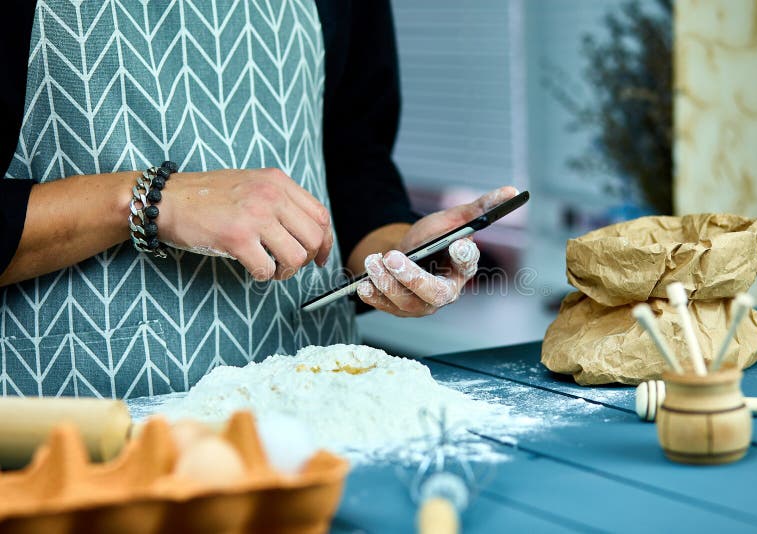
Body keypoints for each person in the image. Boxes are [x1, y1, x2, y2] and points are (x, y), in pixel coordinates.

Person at [0, 0, 517, 398]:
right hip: (74, 407)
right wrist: (150, 199)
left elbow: (354, 161)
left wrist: (396, 254)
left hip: (313, 405)